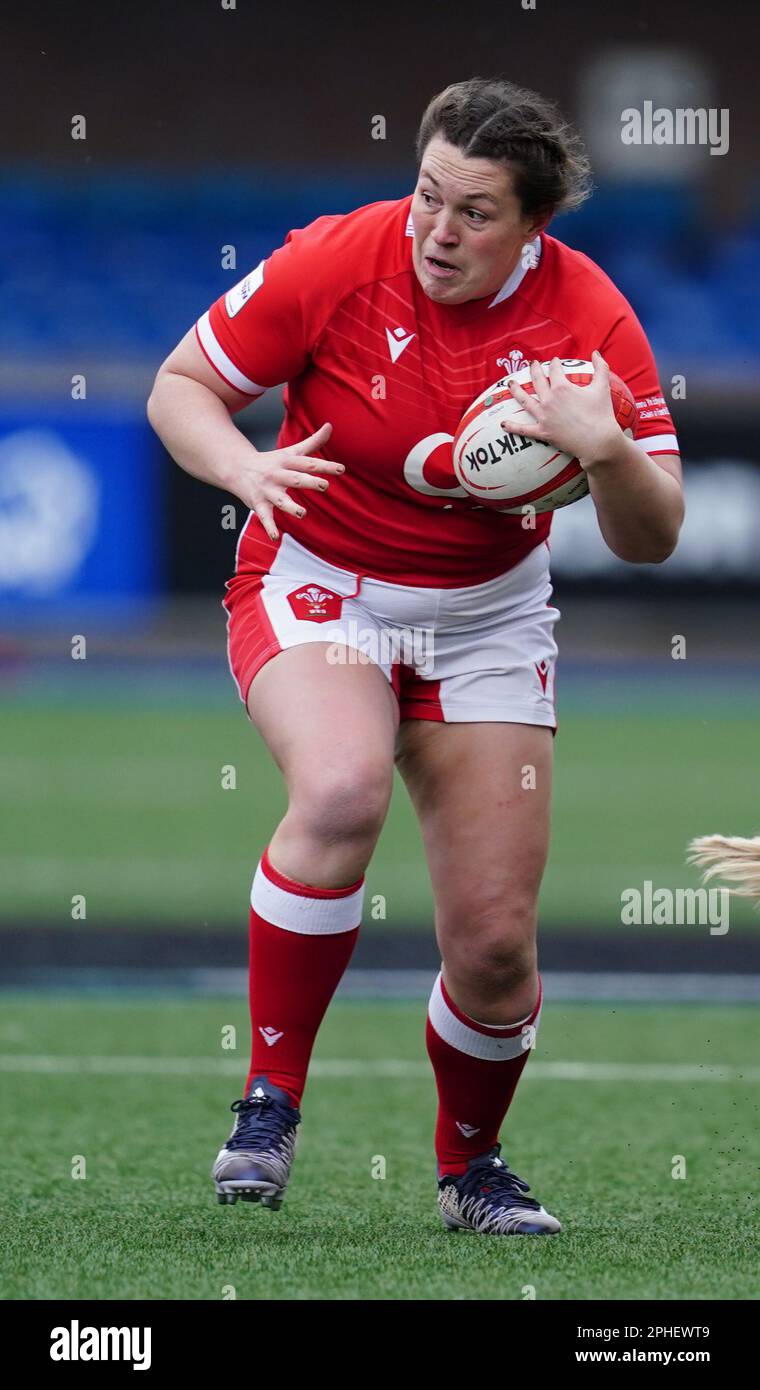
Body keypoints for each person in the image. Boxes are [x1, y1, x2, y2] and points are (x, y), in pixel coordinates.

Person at [147, 77, 684, 1237]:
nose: (436, 230)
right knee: (340, 789)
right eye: (427, 194)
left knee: (493, 945)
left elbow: (652, 537)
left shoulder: (589, 319)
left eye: (474, 212)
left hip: (489, 617)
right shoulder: (338, 260)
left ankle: (469, 1169)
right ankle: (269, 1100)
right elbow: (180, 387)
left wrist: (604, 451)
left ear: (533, 225)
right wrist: (242, 468)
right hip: (320, 582)